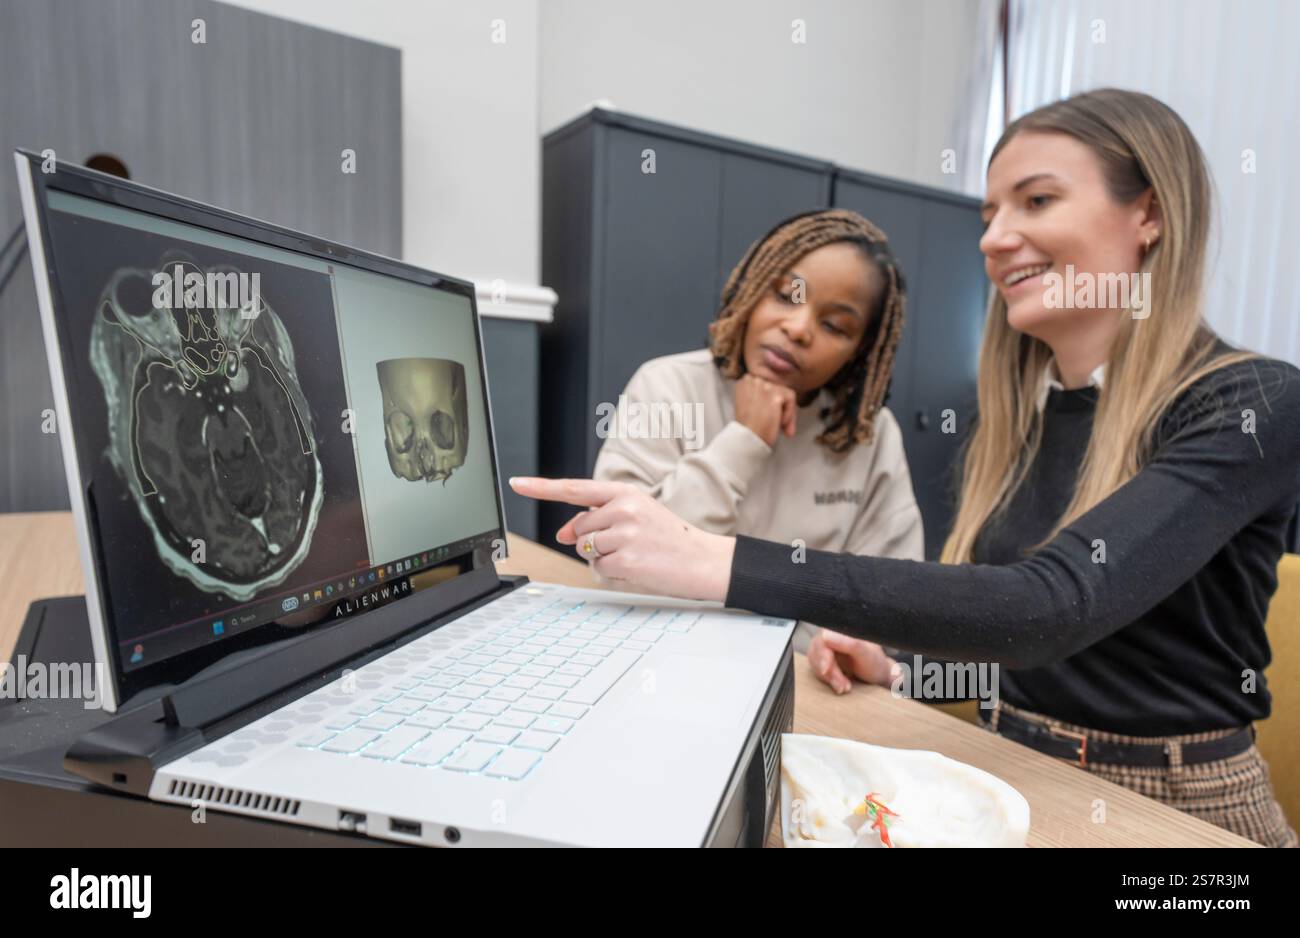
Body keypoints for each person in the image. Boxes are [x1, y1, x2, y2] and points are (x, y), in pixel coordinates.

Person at [511, 88, 1300, 847]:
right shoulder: (1033, 420)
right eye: (990, 214)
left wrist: (711, 560)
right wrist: (904, 667)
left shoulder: (1252, 401)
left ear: (1151, 213)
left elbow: (1050, 609)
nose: (992, 237)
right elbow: (1016, 674)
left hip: (1172, 803)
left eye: (1035, 201)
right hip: (1011, 768)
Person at [592, 209, 922, 670]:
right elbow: (621, 571)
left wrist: (836, 652)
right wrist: (744, 440)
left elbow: (890, 603)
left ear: (860, 353)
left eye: (835, 326)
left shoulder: (871, 433)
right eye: (786, 296)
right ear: (752, 288)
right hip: (658, 661)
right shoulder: (666, 385)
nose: (798, 328)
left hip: (802, 680)